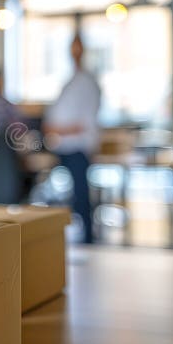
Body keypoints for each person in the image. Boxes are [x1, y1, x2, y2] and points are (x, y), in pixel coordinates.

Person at [44, 34, 101, 244]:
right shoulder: (72, 80)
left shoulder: (87, 82)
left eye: (78, 47)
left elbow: (83, 123)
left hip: (77, 147)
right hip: (64, 147)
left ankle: (87, 240)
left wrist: (57, 129)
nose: (74, 52)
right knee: (69, 195)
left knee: (81, 197)